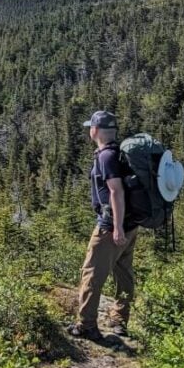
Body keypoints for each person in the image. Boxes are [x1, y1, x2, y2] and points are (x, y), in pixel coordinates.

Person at [67, 110, 139, 341]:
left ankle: (87, 325)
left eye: (90, 127)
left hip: (111, 226)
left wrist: (116, 227)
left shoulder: (106, 157)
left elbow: (115, 191)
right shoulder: (119, 153)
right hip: (130, 224)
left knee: (92, 274)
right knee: (123, 273)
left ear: (95, 130)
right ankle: (119, 321)